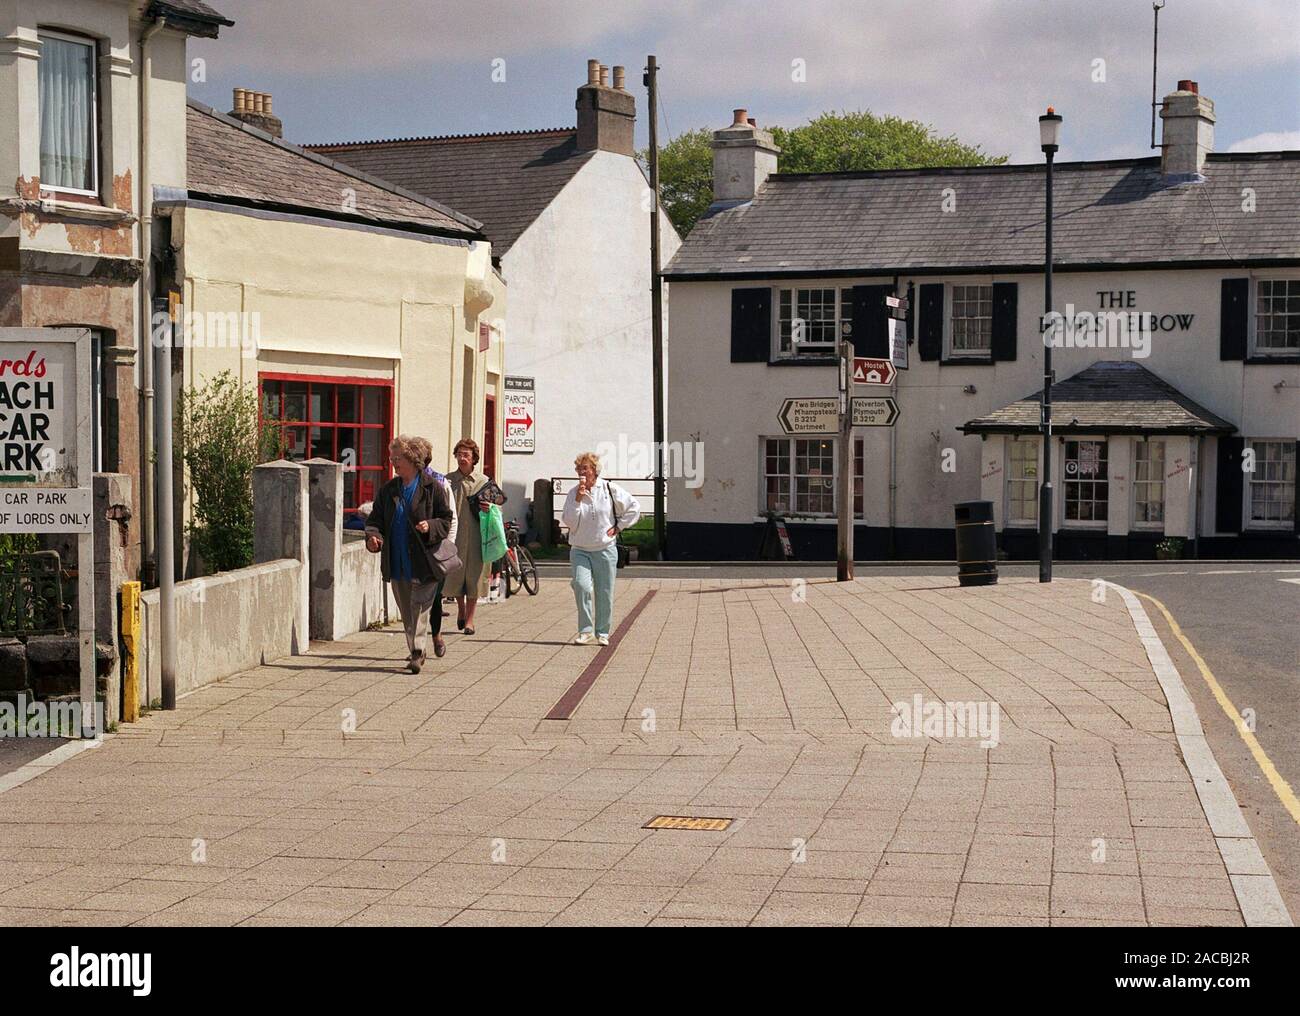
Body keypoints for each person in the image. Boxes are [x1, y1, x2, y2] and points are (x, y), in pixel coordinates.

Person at [364, 435, 455, 672]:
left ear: (413, 460)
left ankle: (417, 651)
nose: (393, 462)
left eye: (398, 458)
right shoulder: (389, 490)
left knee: (421, 605)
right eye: (392, 457)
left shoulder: (432, 487)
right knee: (406, 609)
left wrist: (431, 526)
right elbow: (375, 521)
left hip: (424, 559)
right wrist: (374, 537)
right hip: (397, 559)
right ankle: (416, 647)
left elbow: (446, 519)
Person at [561, 451, 640, 646]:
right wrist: (578, 500)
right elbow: (569, 521)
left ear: (594, 470)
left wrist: (619, 527)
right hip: (580, 548)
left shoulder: (609, 489)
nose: (581, 472)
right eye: (579, 468)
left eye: (585, 468)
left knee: (604, 592)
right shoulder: (573, 493)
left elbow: (634, 507)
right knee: (581, 585)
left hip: (605, 548)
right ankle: (585, 630)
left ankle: (602, 632)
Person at [444, 438, 505, 636]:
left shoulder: (483, 481)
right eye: (459, 454)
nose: (462, 458)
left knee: (475, 577)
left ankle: (470, 620)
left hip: (479, 538)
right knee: (455, 576)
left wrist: (491, 507)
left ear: (474, 458)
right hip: (455, 536)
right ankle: (460, 608)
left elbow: (497, 508)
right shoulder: (448, 480)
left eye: (466, 455)